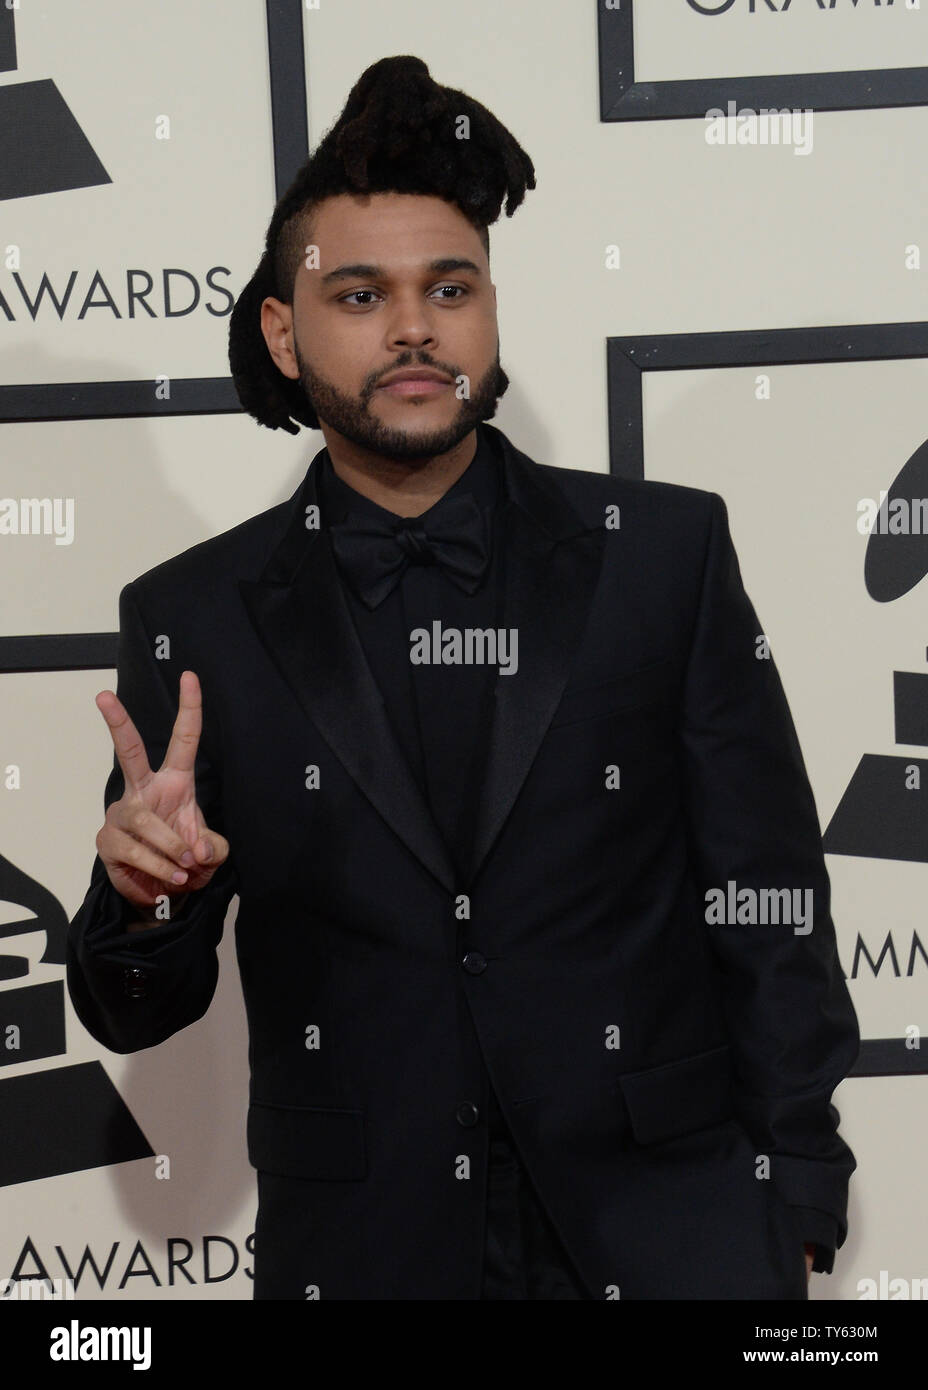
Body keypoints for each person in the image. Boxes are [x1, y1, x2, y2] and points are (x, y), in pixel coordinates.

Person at [67, 54, 859, 1300]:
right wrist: (146, 896)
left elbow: (768, 897)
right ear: (283, 332)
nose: (413, 328)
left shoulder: (659, 557)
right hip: (368, 1251)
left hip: (668, 1237)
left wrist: (797, 1201)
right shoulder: (193, 615)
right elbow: (131, 1014)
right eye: (359, 294)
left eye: (450, 287)